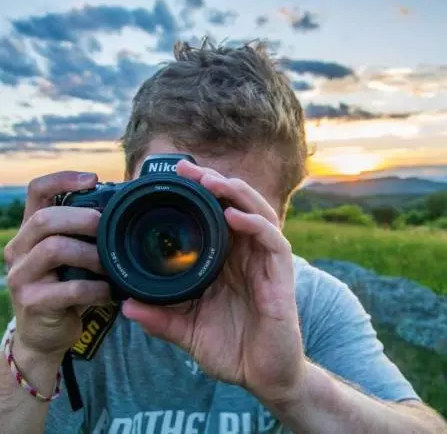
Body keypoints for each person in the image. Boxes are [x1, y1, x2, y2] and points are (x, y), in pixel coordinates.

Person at [1, 39, 446, 434]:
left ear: (280, 219)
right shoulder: (75, 301)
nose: (188, 245)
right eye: (163, 204)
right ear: (121, 191)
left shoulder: (309, 303)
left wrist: (293, 386)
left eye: (226, 209)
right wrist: (35, 352)